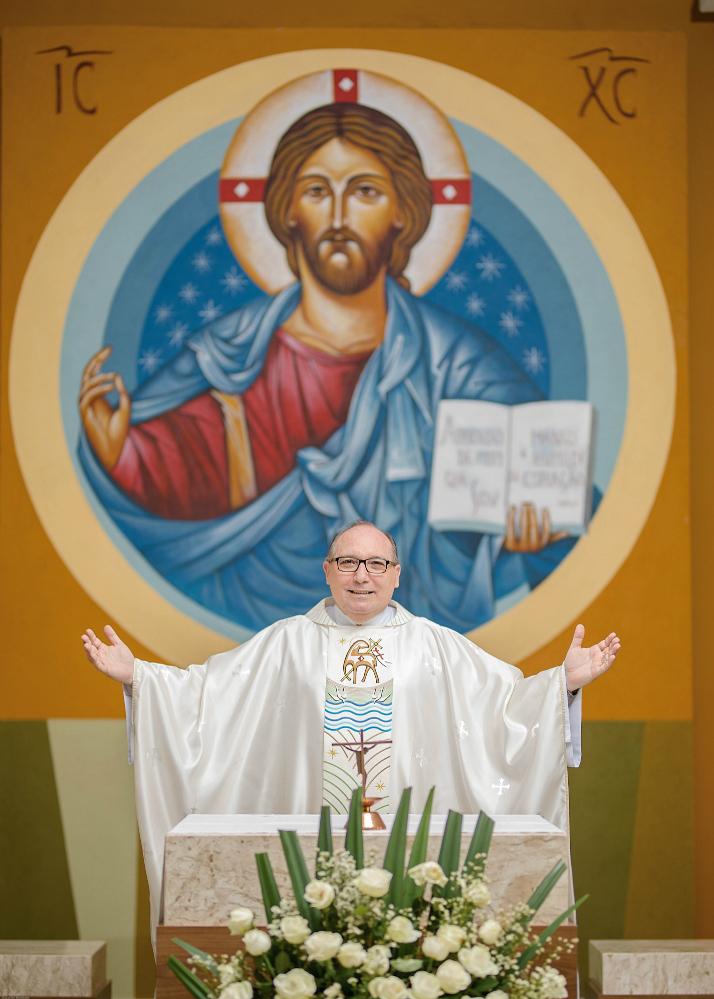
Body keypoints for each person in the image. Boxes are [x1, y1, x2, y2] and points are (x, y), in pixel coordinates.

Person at [78, 101, 577, 635]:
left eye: (364, 191)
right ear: (289, 211)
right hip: (263, 633)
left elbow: (552, 481)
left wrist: (530, 532)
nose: (339, 216)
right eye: (317, 191)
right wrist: (118, 453)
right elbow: (177, 467)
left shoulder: (454, 360)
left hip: (411, 647)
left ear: (402, 211)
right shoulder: (231, 355)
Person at [82, 520, 620, 935]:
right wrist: (141, 678)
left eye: (376, 563)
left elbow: (506, 710)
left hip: (411, 861)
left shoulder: (436, 646)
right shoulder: (286, 643)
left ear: (396, 574)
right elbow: (206, 700)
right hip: (307, 858)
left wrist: (560, 686)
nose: (362, 575)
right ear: (327, 570)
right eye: (348, 562)